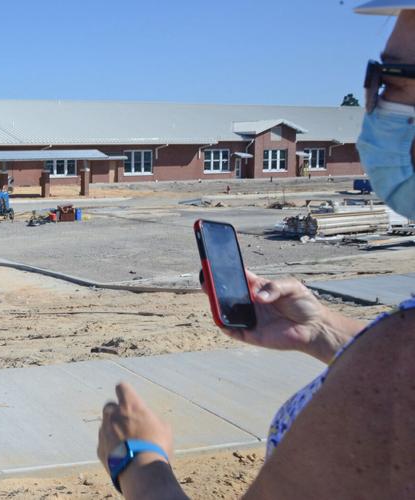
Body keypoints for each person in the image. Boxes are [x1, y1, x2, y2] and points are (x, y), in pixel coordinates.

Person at [97, 6, 415, 498]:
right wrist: (324, 332)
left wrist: (138, 461)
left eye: (389, 80)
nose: (371, 103)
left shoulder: (400, 367)